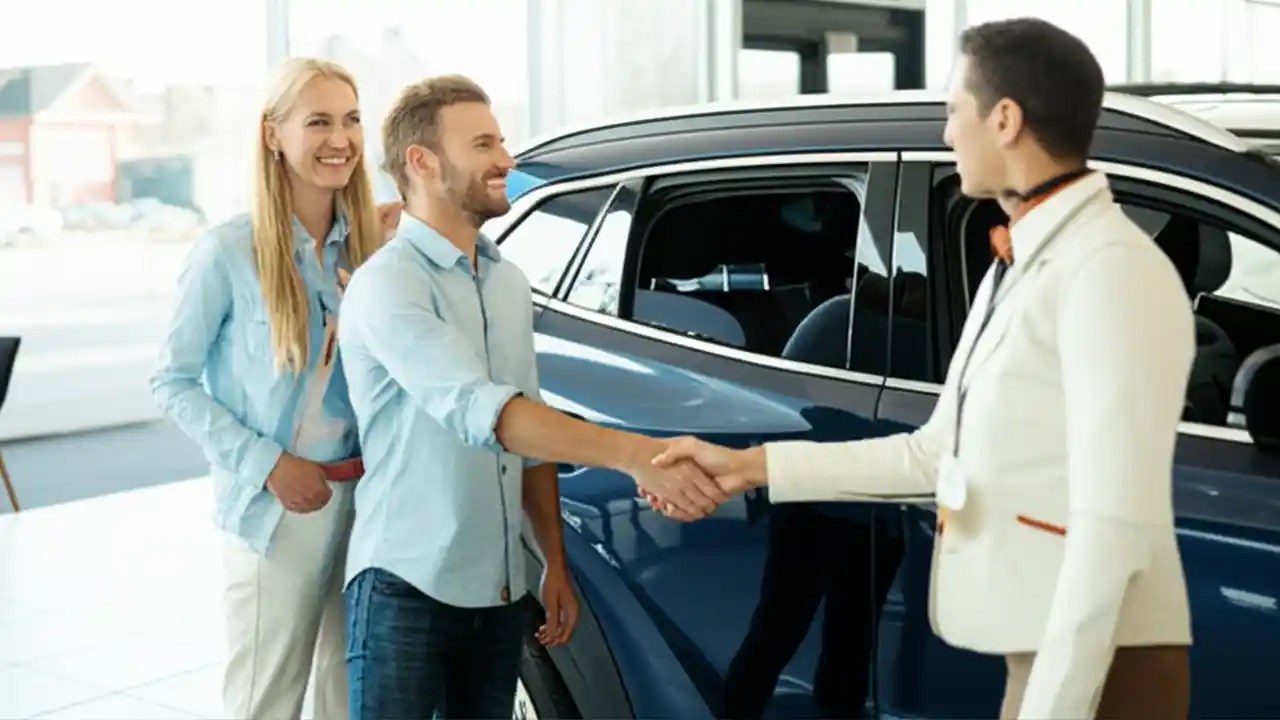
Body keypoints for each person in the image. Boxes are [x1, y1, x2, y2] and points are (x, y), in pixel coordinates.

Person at [652, 18, 1195, 720]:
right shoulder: (1025, 262)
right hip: (1050, 657)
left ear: (1004, 119)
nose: (946, 134)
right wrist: (747, 466)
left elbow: (1109, 533)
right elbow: (934, 454)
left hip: (1098, 667)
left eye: (951, 111)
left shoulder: (1110, 271)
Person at [337, 74, 726, 719]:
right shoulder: (388, 286)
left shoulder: (507, 281)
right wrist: (633, 454)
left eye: (502, 141)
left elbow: (530, 422)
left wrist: (554, 559)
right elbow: (486, 413)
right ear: (422, 162)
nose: (506, 161)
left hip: (499, 591)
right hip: (406, 586)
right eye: (484, 144)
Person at [150, 57, 400, 719]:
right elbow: (171, 382)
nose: (340, 138)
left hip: (368, 504)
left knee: (350, 698)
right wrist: (268, 466)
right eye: (318, 121)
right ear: (273, 135)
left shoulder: (373, 252)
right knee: (268, 701)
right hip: (277, 512)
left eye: (350, 120)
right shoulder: (227, 252)